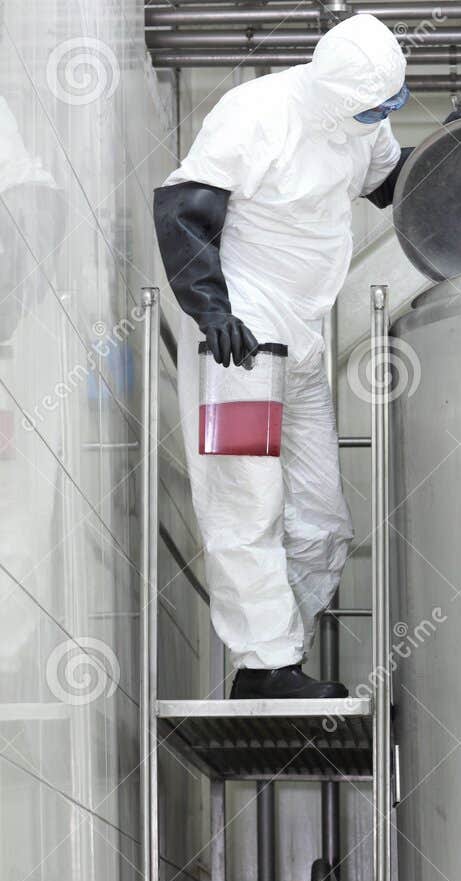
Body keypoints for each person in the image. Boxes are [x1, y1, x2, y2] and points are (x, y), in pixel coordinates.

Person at [154, 15, 411, 699]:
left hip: (300, 347)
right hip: (239, 346)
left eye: (395, 101)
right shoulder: (257, 113)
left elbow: (395, 186)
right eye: (376, 107)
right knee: (246, 503)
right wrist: (210, 308)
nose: (386, 115)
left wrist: (456, 156)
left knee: (323, 523)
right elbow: (183, 209)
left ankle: (268, 661)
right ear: (335, 97)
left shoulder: (362, 124)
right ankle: (267, 666)